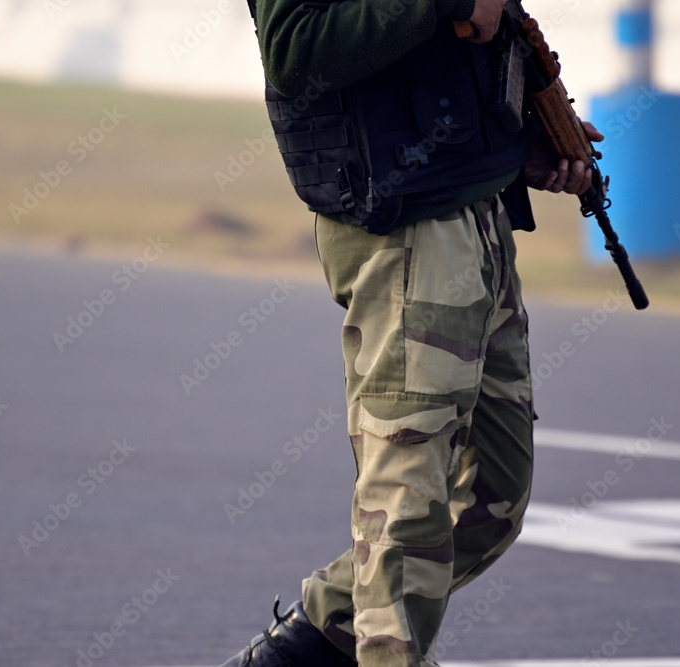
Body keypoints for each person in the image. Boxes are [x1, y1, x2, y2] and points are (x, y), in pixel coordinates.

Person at [220, 1, 602, 665]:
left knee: (491, 500)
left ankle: (309, 642)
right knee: (406, 496)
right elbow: (295, 49)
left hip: (476, 209)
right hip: (403, 228)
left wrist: (519, 142)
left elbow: (467, 46)